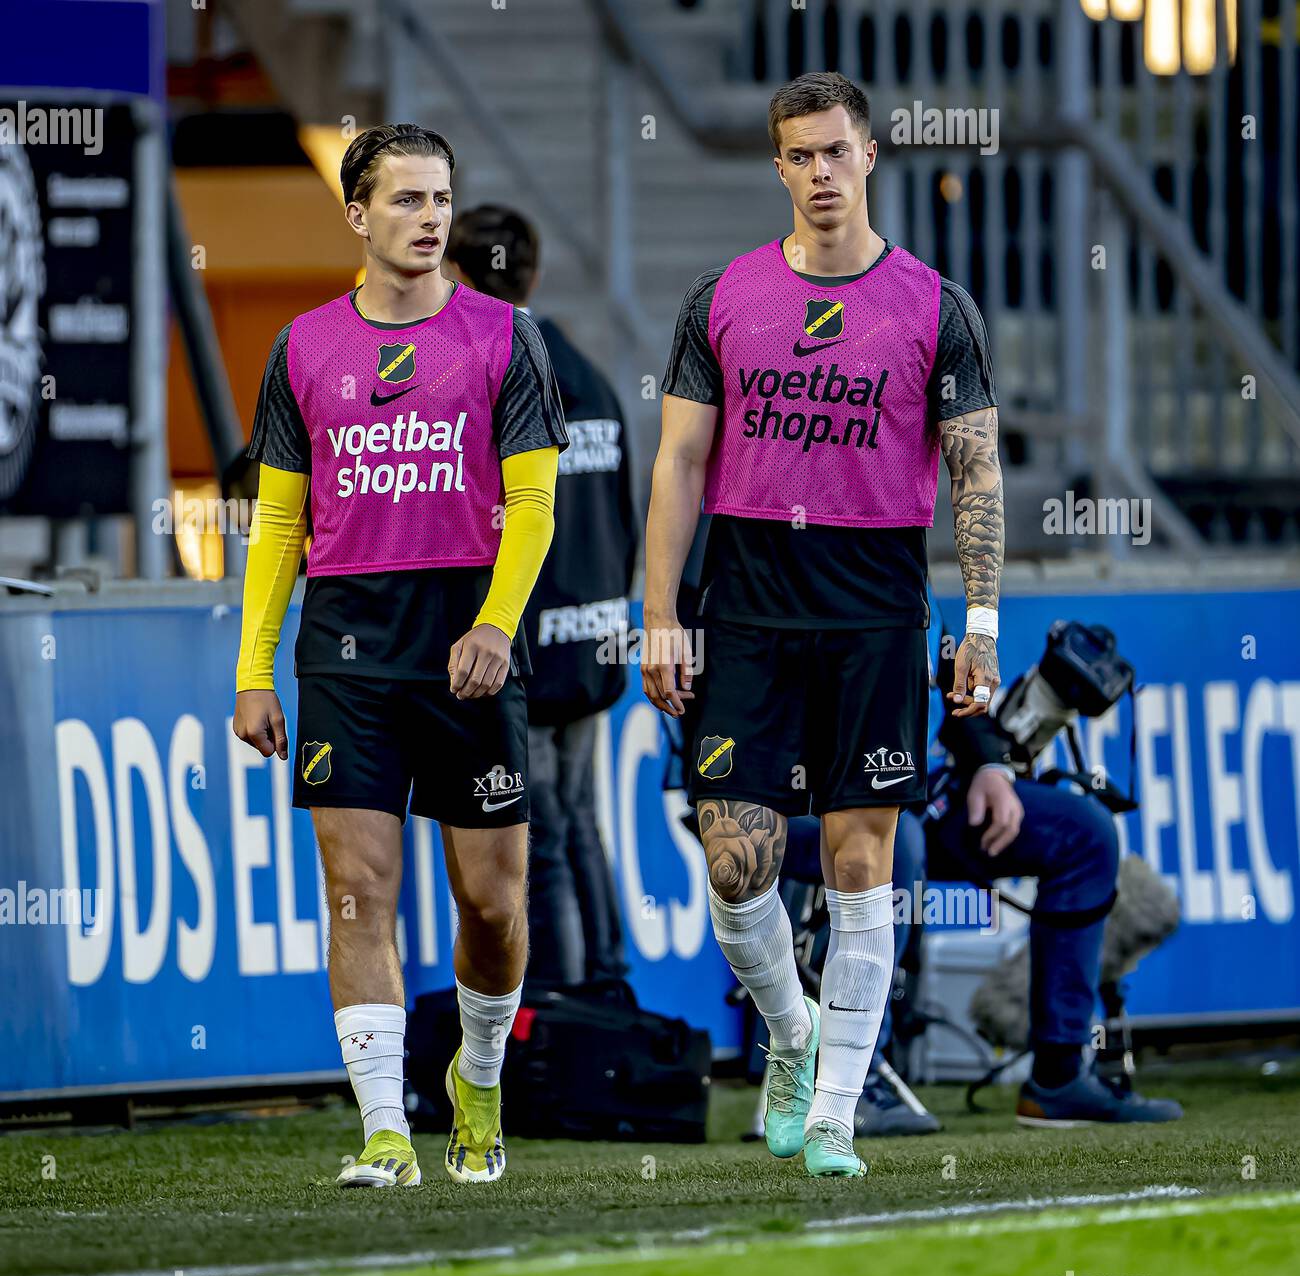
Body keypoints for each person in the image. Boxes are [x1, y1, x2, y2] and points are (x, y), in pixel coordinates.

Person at [642, 71, 1004, 1180]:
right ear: (778, 166)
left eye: (834, 153)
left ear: (869, 156)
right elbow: (681, 462)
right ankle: (792, 1035)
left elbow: (973, 467)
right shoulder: (721, 298)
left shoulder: (936, 306)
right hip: (746, 603)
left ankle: (836, 1112)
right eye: (797, 157)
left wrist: (981, 622)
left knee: (862, 860)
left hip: (875, 608)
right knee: (737, 862)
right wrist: (657, 612)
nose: (818, 175)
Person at [231, 124, 568, 1188]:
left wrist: (497, 624)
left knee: (493, 905)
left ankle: (476, 1077)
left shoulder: (506, 337)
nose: (430, 219)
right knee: (357, 887)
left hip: (470, 640)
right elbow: (280, 525)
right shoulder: (301, 347)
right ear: (357, 216)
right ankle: (385, 1129)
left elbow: (533, 504)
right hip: (346, 643)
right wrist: (254, 669)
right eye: (409, 200)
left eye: (441, 200)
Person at [857, 585, 1183, 1132]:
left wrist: (992, 766)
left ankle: (1058, 1077)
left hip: (926, 795)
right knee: (898, 841)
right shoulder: (799, 568)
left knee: (1085, 832)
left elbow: (962, 700)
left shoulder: (907, 578)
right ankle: (857, 1078)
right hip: (833, 800)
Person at [444, 205, 636, 983]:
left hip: (524, 643)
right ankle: (608, 984)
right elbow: (622, 511)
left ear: (457, 275)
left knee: (543, 830)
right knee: (580, 821)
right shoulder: (588, 373)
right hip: (594, 633)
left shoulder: (488, 374)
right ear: (534, 272)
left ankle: (555, 1002)